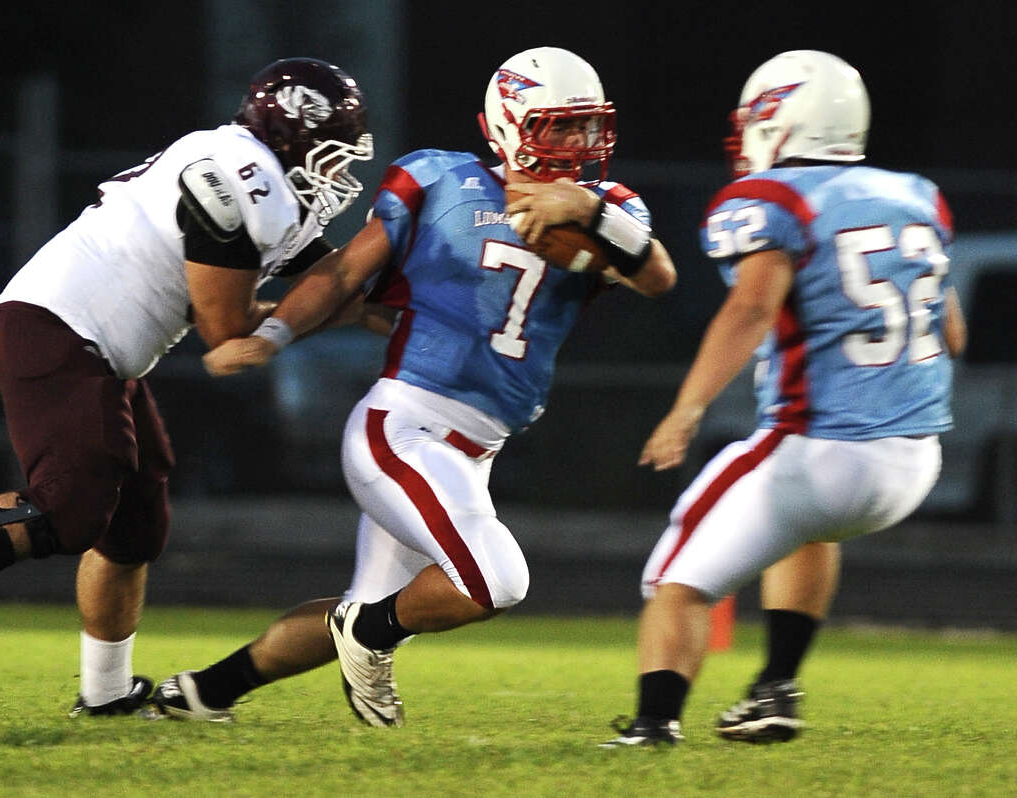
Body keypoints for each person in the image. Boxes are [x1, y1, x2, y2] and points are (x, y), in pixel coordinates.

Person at [145, 46, 677, 727]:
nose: (579, 142)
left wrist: (587, 212)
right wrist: (271, 335)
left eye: (587, 126)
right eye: (559, 126)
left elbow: (655, 276)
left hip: (473, 451)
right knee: (494, 582)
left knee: (363, 604)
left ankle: (204, 692)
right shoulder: (438, 180)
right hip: (405, 426)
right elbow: (343, 275)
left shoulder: (611, 206)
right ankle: (370, 634)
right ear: (511, 123)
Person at [0, 58, 374, 715]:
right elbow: (226, 330)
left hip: (95, 348)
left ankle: (106, 694)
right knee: (73, 506)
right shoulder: (240, 175)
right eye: (330, 148)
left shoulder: (253, 177)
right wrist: (298, 319)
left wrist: (424, 312)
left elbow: (341, 289)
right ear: (292, 133)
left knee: (135, 527)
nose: (338, 169)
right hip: (56, 329)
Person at [601, 50, 967, 747]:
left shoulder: (775, 201)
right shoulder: (915, 195)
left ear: (782, 119)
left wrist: (688, 409)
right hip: (916, 460)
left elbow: (750, 309)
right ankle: (775, 689)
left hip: (817, 448)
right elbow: (950, 331)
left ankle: (653, 723)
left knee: (674, 580)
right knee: (808, 533)